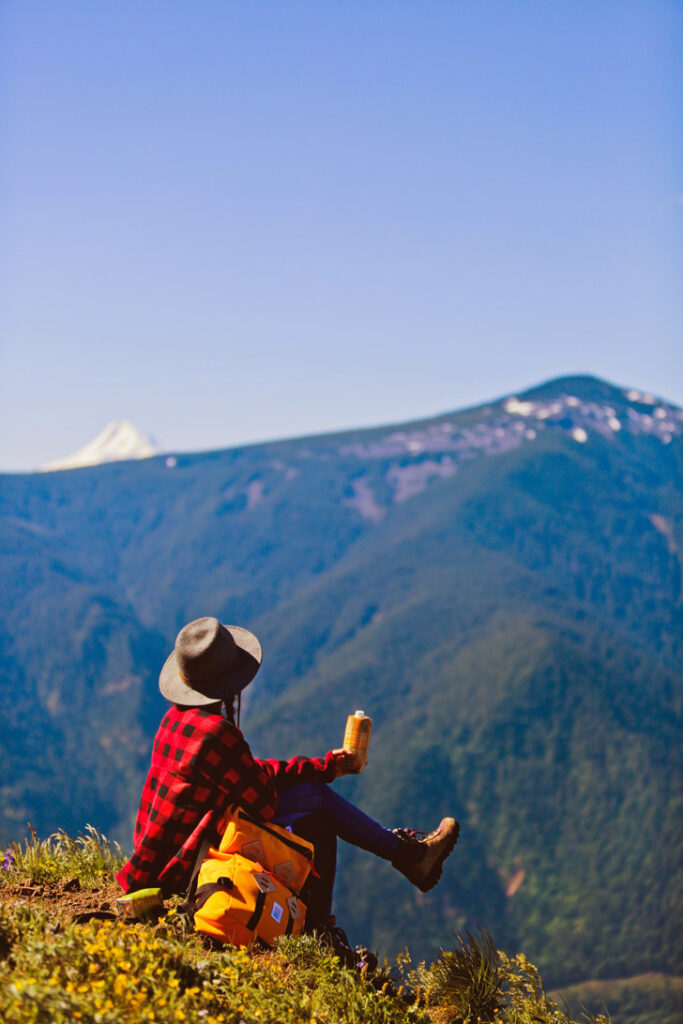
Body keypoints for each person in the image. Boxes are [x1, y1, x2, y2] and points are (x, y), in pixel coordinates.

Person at [117, 617, 459, 953]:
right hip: (185, 869)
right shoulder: (217, 733)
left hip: (158, 862)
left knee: (316, 801)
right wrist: (317, 774)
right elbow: (264, 802)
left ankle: (389, 869)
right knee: (318, 808)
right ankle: (388, 871)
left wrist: (321, 767)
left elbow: (248, 773)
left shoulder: (175, 720)